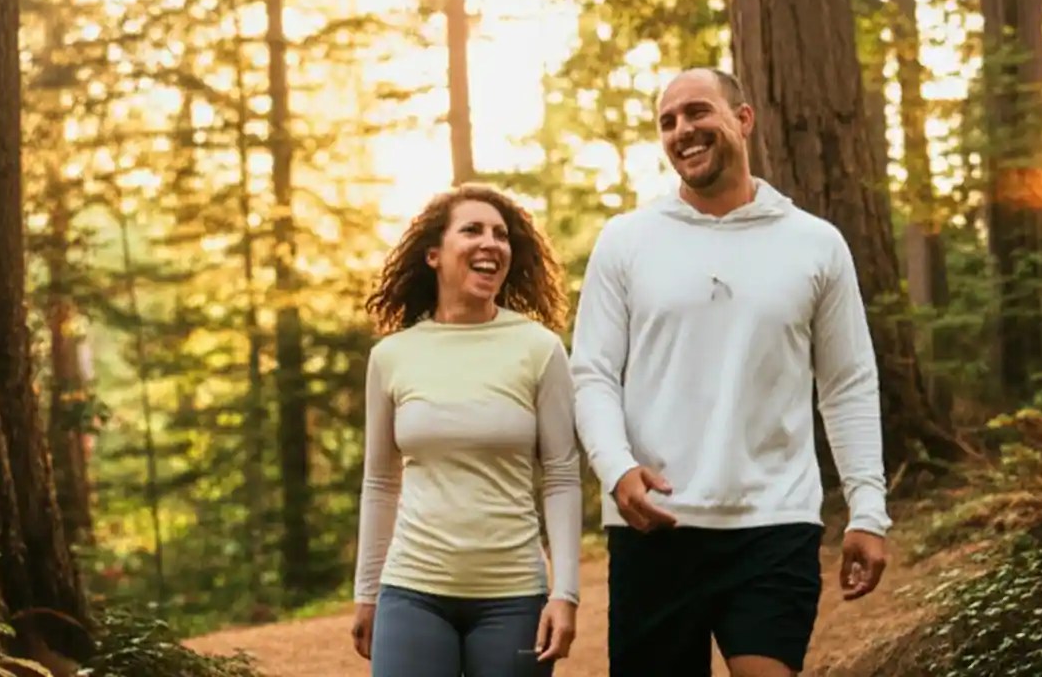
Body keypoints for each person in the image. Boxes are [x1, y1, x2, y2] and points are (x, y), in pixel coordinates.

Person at [569, 67, 891, 677]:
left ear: (743, 119)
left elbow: (848, 383)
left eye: (697, 113)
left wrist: (867, 511)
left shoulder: (815, 244)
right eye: (668, 121)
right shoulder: (626, 241)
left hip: (774, 522)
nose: (682, 131)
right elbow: (592, 373)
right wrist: (616, 470)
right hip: (656, 527)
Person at [350, 183, 583, 677]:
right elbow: (380, 482)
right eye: (472, 230)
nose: (491, 243)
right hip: (412, 591)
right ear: (433, 253)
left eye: (501, 235)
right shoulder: (392, 356)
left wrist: (565, 593)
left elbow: (562, 477)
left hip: (514, 597)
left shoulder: (538, 348)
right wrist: (367, 592)